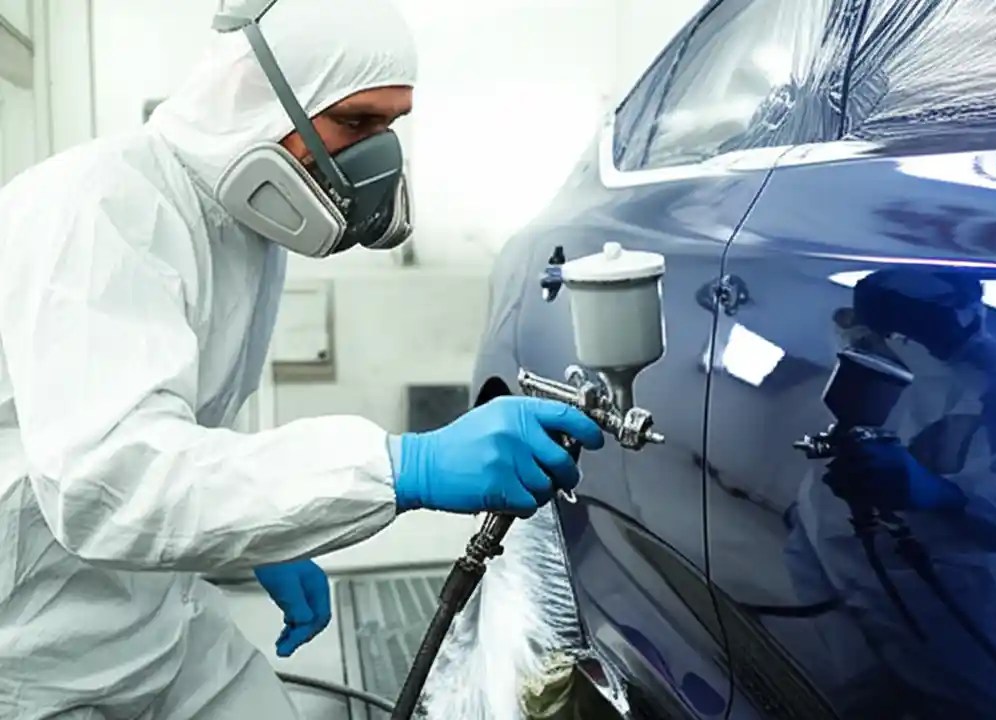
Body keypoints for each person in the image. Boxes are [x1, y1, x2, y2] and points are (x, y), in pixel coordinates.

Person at [0, 0, 603, 717]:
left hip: (158, 614)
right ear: (259, 103)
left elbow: (180, 433)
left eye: (390, 127)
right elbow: (111, 482)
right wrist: (399, 467)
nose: (376, 157)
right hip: (37, 648)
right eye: (355, 124)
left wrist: (254, 541)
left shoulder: (241, 230)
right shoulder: (97, 208)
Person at [782, 268, 996, 719]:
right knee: (853, 696)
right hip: (819, 543)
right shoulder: (854, 335)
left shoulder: (990, 377)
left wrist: (940, 491)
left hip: (920, 579)